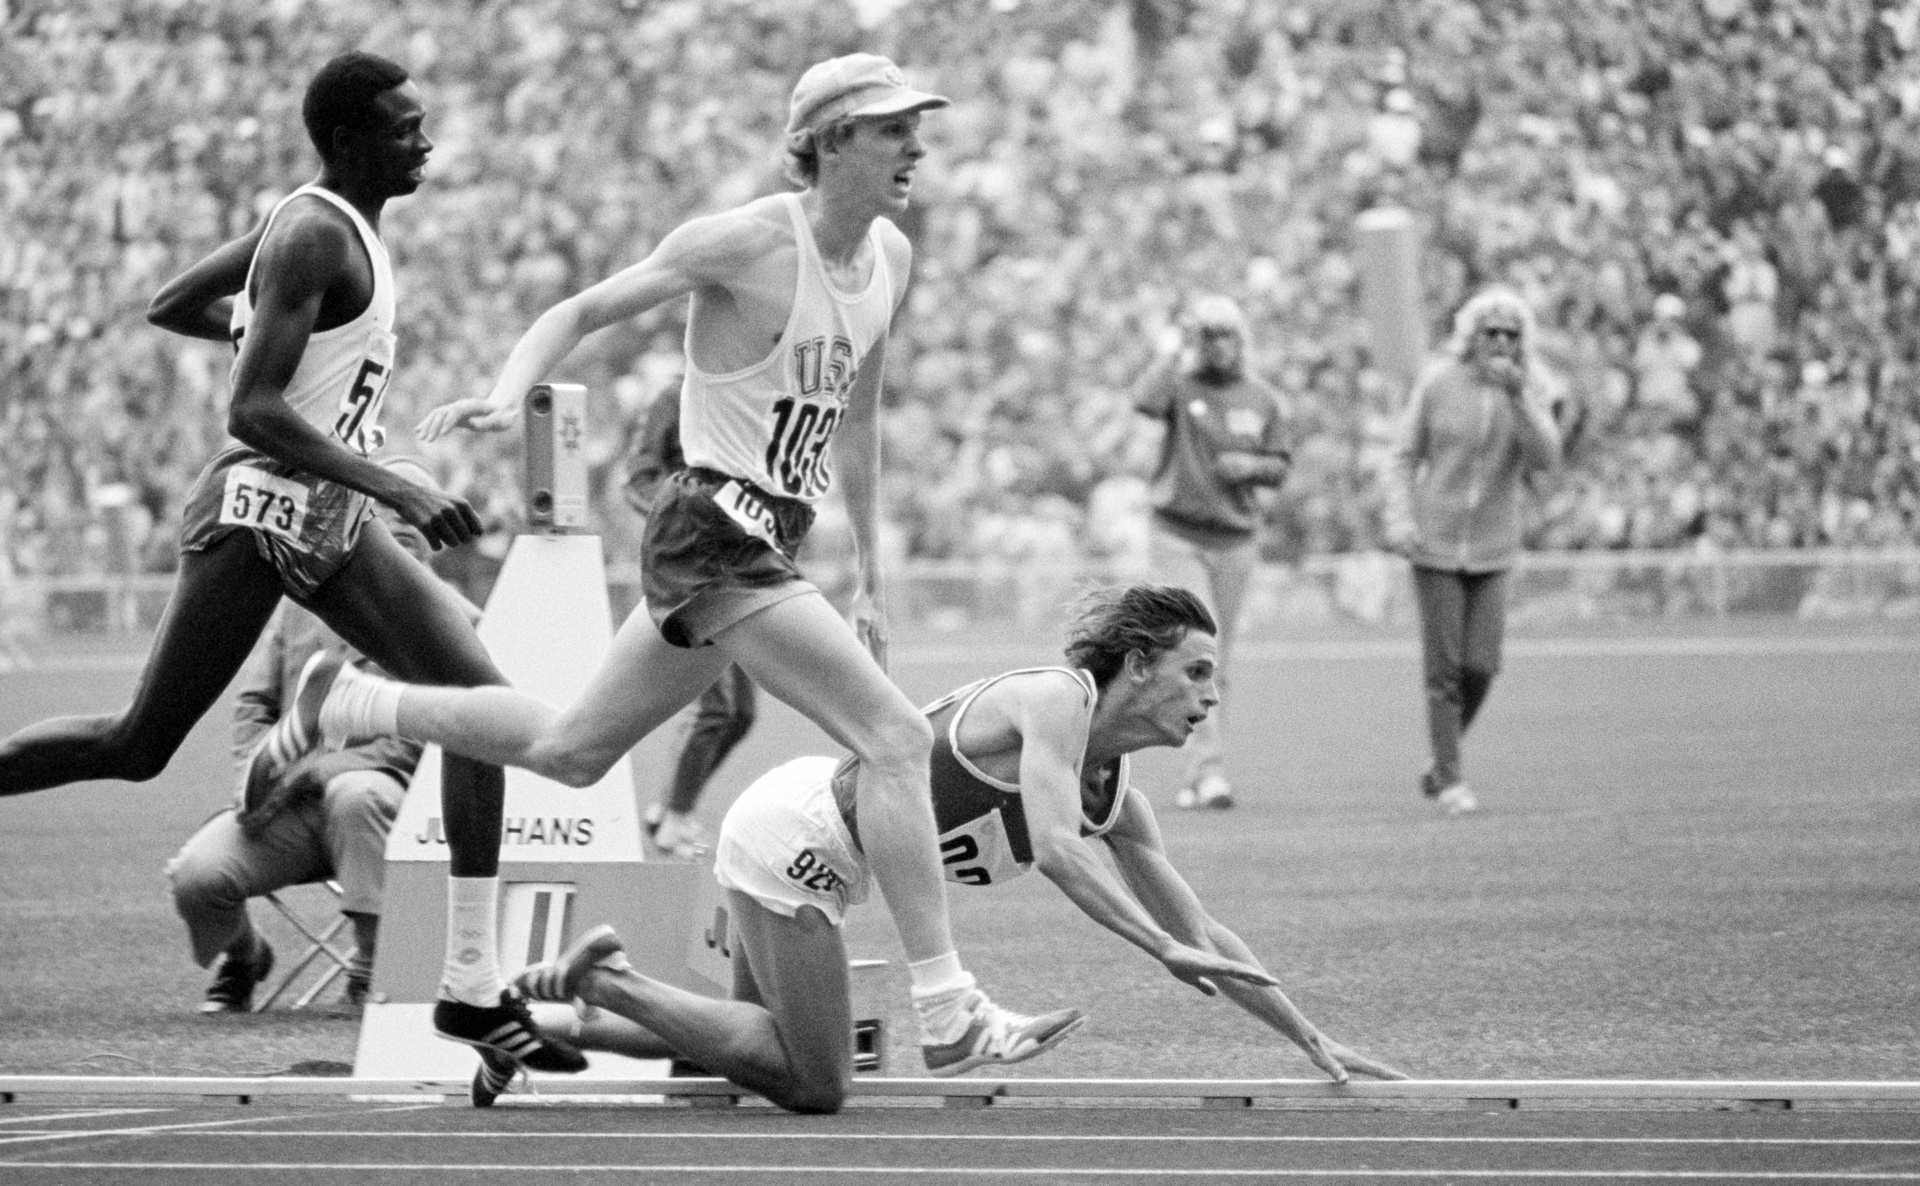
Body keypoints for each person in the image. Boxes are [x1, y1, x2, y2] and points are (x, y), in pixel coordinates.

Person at [295, 53, 1080, 1076]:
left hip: (763, 540)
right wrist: (505, 393)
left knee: (575, 752)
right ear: (832, 139)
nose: (917, 148)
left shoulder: (890, 254)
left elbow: (861, 415)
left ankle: (354, 700)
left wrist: (874, 574)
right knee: (892, 736)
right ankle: (948, 1006)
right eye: (893, 130)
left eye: (915, 128)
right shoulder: (748, 241)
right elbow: (578, 312)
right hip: (715, 527)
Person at [0, 53, 583, 1074]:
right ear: (351, 140)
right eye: (405, 126)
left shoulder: (322, 227)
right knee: (140, 742)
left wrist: (260, 323)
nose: (426, 139)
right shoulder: (315, 229)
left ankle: (473, 986)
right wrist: (394, 480)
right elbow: (253, 408)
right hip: (261, 508)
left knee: (482, 709)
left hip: (332, 512)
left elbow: (175, 301)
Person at [473, 585, 1404, 1113]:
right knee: (816, 1083)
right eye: (1197, 673)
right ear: (1138, 664)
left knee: (757, 1048)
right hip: (802, 835)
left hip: (811, 842)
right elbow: (1060, 851)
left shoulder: (1121, 800)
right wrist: (1155, 947)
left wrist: (1311, 1039)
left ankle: (561, 1020)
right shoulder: (1056, 703)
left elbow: (1204, 928)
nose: (1211, 699)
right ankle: (608, 981)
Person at [165, 459, 472, 1012]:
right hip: (284, 803)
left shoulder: (461, 621)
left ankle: (371, 966)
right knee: (195, 876)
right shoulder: (299, 605)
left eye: (416, 511)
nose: (403, 523)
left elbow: (429, 733)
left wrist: (315, 772)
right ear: (363, 520)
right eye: (389, 508)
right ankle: (245, 956)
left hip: (392, 804)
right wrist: (254, 775)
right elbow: (254, 704)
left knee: (357, 797)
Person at [1383, 288, 1561, 815]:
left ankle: (1443, 755)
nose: (1501, 342)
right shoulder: (1439, 381)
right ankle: (1452, 778)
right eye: (1491, 332)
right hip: (1434, 543)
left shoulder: (1533, 387)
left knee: (1481, 665)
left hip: (1495, 546)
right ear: (1472, 336)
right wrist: (1400, 518)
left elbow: (1547, 456)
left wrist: (1519, 397)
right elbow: (1403, 455)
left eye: (1511, 334)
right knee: (1444, 670)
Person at [1130, 295, 1291, 810]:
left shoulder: (1261, 398)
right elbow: (1144, 400)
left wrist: (1252, 466)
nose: (1218, 345)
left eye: (1227, 335)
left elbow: (1280, 465)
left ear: (1241, 341)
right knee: (1193, 646)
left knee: (1217, 656)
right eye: (1209, 335)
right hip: (1178, 533)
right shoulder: (1180, 386)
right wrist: (1175, 347)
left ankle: (1201, 771)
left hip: (1234, 539)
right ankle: (1209, 767)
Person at [620, 386, 758, 860]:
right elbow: (637, 479)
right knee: (717, 708)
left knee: (741, 715)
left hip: (744, 565)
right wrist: (685, 519)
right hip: (691, 564)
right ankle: (674, 818)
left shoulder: (757, 391)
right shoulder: (674, 397)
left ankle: (669, 810)